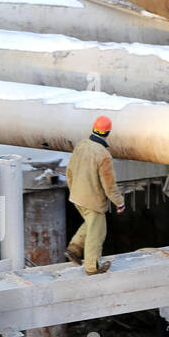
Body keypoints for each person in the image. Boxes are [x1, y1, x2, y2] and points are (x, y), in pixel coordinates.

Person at [66, 116, 125, 275]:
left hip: (76, 196)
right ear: (108, 132)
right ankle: (93, 267)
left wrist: (73, 190)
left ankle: (74, 248)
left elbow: (69, 171)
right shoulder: (103, 155)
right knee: (97, 232)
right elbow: (109, 185)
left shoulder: (81, 145)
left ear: (94, 129)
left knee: (91, 223)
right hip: (92, 201)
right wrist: (119, 202)